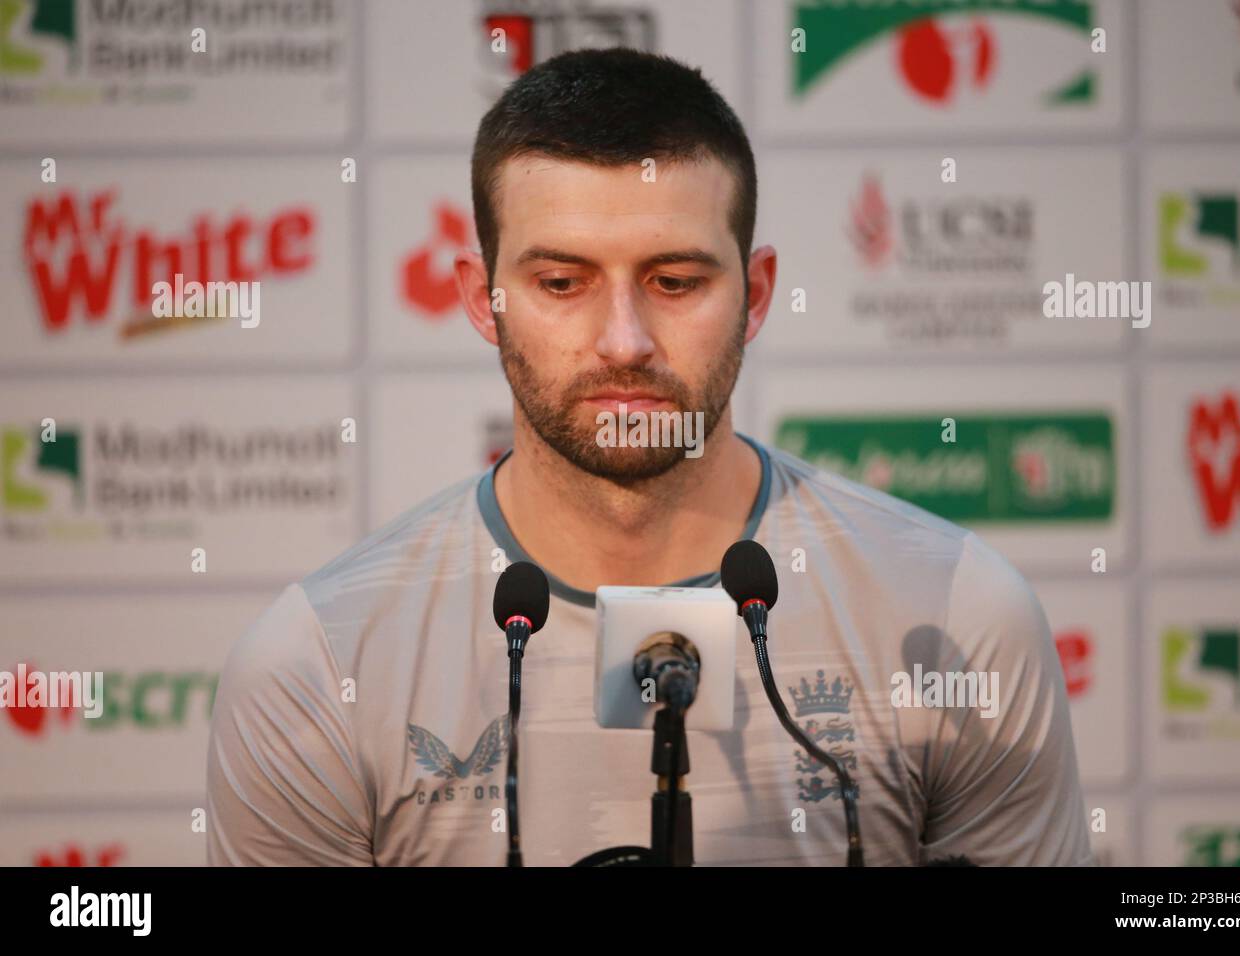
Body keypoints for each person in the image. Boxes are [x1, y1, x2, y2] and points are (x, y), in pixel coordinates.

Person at [206, 48, 1092, 866]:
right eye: (561, 283)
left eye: (675, 282)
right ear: (484, 300)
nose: (624, 341)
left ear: (756, 295)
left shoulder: (954, 617)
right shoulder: (318, 668)